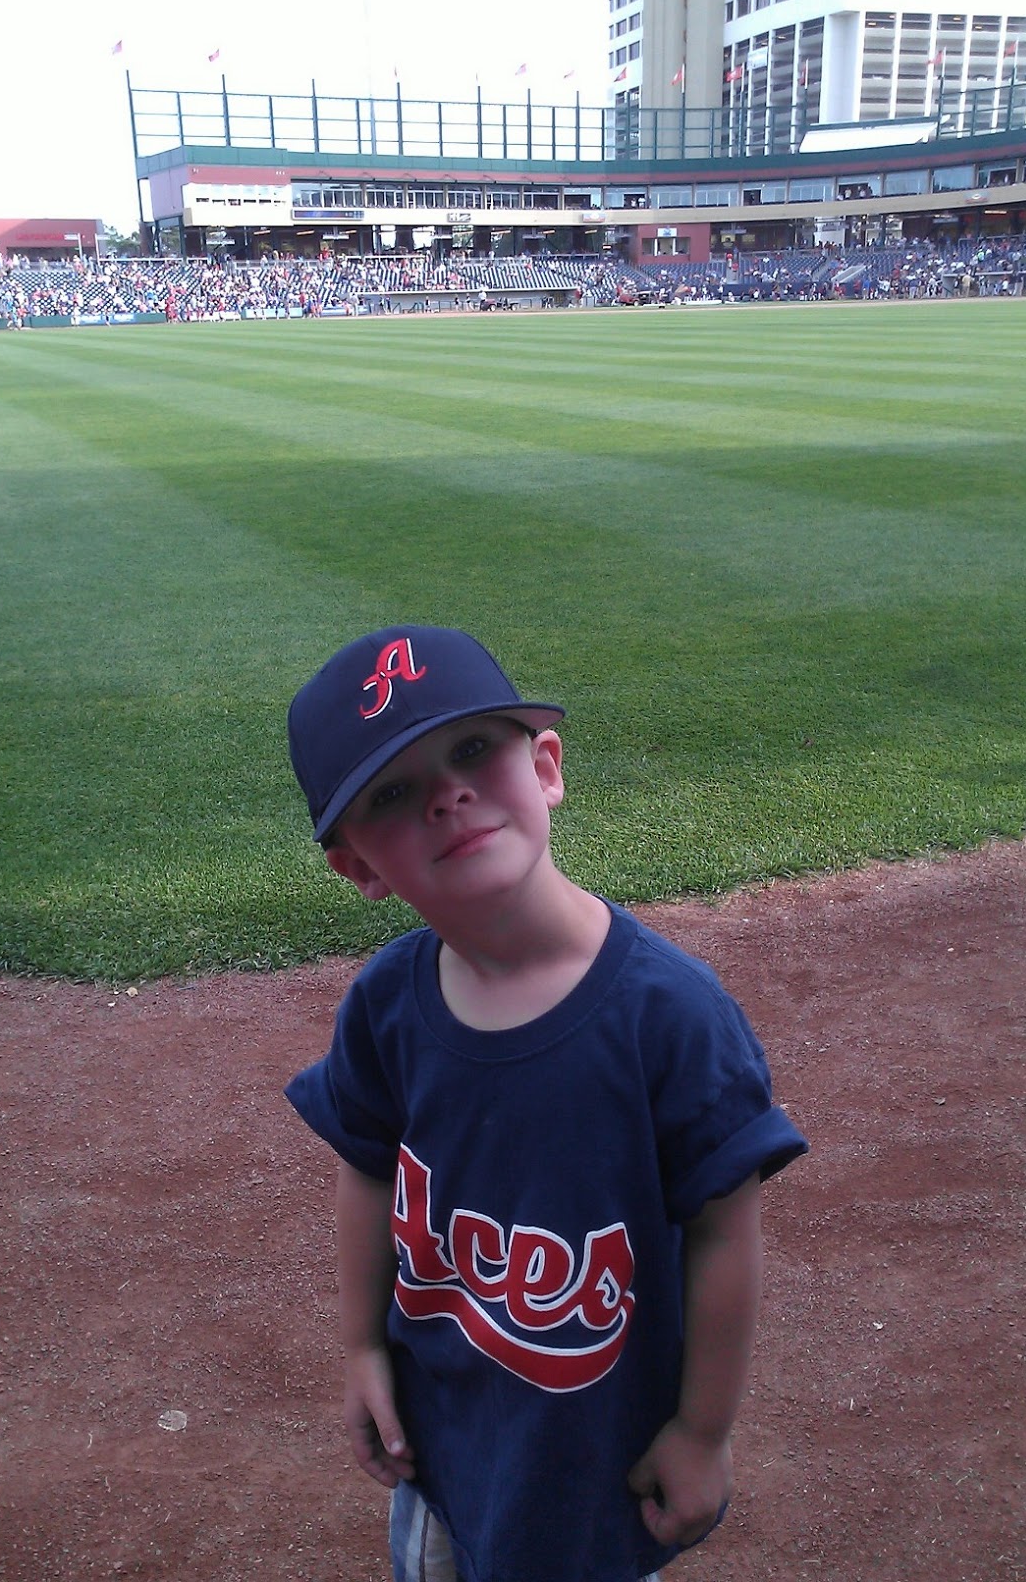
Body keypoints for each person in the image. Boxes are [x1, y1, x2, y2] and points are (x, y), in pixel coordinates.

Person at [284, 625, 808, 1582]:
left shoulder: (670, 1015)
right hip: (439, 1446)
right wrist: (361, 1344)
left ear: (548, 765)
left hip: (596, 1466)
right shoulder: (386, 1006)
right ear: (355, 865)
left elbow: (726, 1234)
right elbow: (366, 1167)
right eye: (393, 795)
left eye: (474, 749)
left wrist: (702, 1430)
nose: (448, 793)